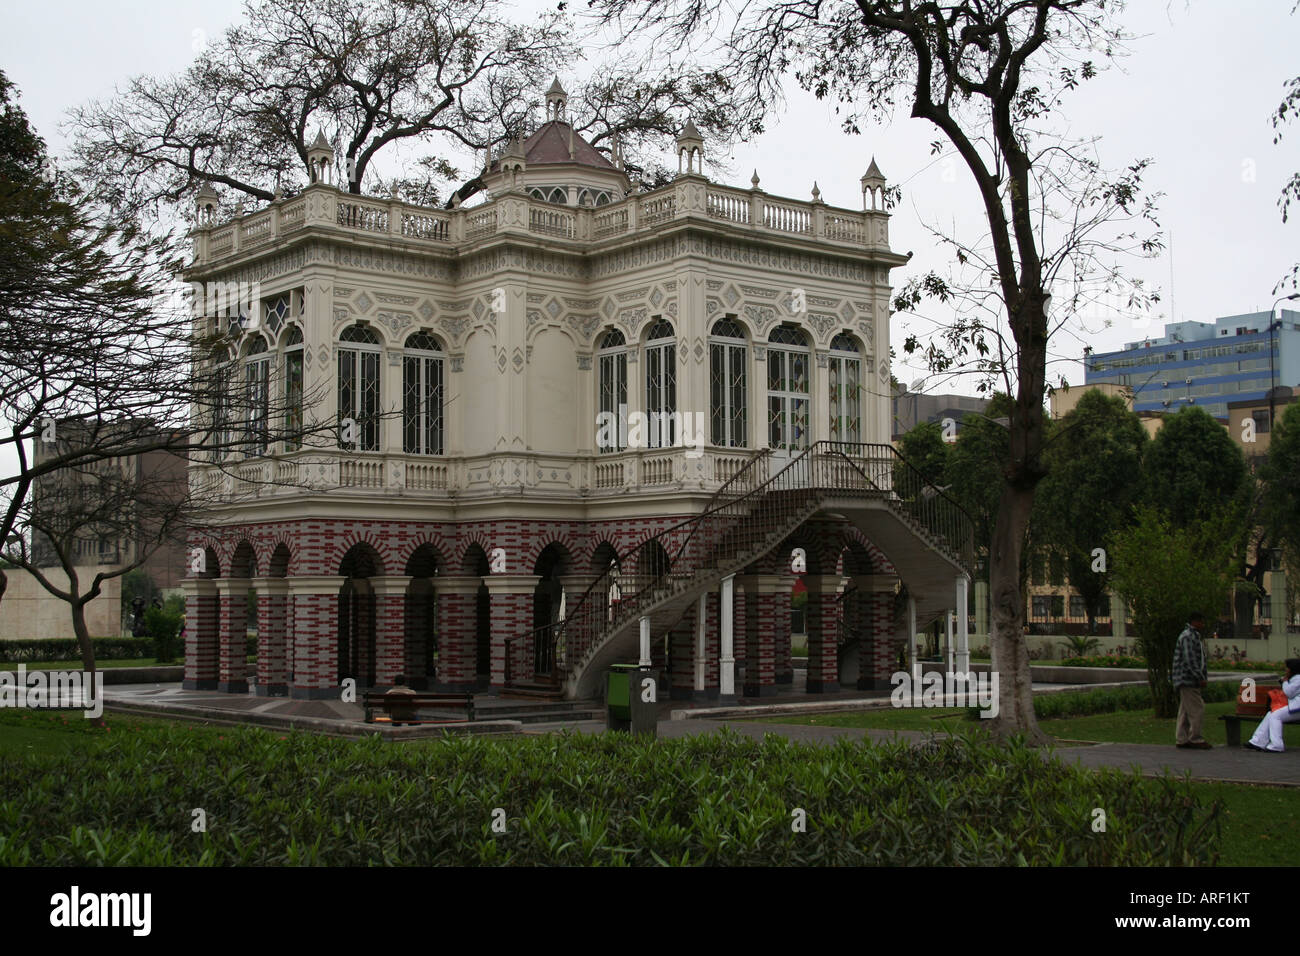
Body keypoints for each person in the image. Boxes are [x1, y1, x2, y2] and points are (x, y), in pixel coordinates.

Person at [1172, 611, 1211, 749]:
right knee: (1197, 708)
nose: (1203, 625)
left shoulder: (1193, 636)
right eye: (1201, 622)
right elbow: (1190, 661)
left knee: (1185, 710)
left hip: (1187, 679)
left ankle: (1181, 739)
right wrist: (1200, 677)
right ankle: (1195, 738)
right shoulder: (1188, 637)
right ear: (1194, 622)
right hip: (1187, 679)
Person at [1246, 658, 1300, 753]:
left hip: (1297, 709)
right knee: (1271, 713)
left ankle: (1277, 745)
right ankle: (1257, 741)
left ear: (1292, 669)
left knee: (1276, 716)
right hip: (1295, 708)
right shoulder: (1296, 678)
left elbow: (1289, 692)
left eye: (1287, 668)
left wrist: (1285, 681)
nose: (1285, 670)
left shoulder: (1298, 679)